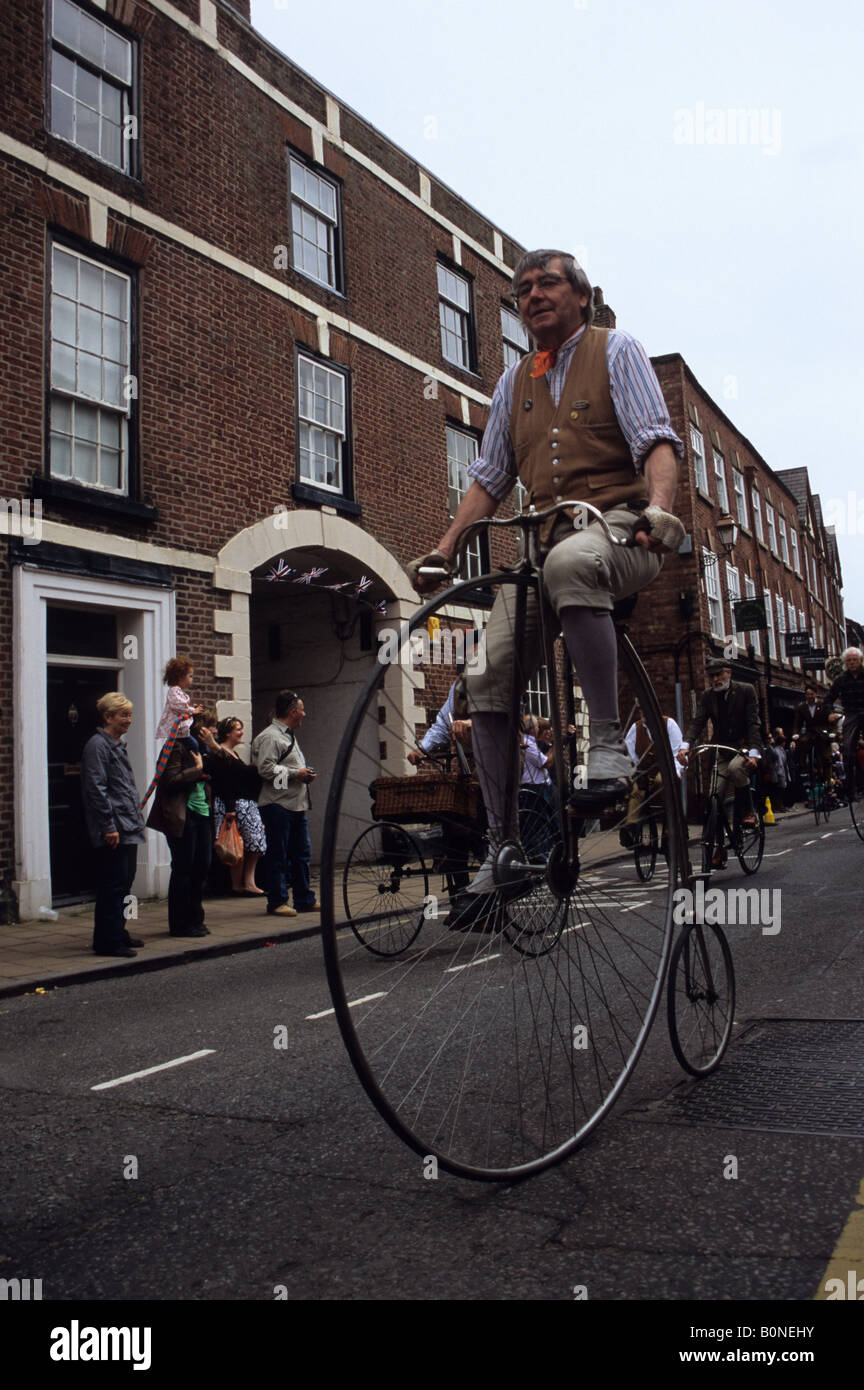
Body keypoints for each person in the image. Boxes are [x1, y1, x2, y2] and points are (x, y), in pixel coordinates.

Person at [408, 250, 684, 903]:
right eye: (523, 289)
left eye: (547, 284)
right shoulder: (512, 385)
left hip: (621, 531)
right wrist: (447, 547)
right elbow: (489, 479)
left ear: (581, 297)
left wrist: (661, 510)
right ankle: (504, 844)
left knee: (571, 562)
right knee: (484, 674)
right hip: (542, 549)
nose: (533, 295)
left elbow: (656, 443)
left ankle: (609, 745)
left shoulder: (617, 352)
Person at [146, 713, 224, 937]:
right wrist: (197, 771)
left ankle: (195, 919)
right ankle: (180, 924)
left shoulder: (204, 751)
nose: (215, 731)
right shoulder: (176, 748)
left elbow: (226, 770)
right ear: (199, 729)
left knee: (201, 867)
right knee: (184, 869)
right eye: (211, 727)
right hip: (183, 815)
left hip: (202, 813)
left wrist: (210, 758)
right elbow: (169, 781)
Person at [81, 692, 146, 958]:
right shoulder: (98, 746)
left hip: (129, 825)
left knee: (125, 882)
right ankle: (107, 941)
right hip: (116, 827)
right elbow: (96, 788)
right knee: (113, 884)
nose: (128, 720)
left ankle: (118, 930)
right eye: (123, 715)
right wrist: (108, 826)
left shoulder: (117, 745)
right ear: (108, 716)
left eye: (130, 715)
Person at [678, 658, 762, 867]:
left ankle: (749, 811)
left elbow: (753, 723)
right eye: (712, 676)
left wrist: (753, 753)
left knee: (736, 769)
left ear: (729, 673)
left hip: (742, 747)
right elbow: (698, 722)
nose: (715, 679)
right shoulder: (708, 696)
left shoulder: (746, 690)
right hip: (721, 748)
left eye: (719, 675)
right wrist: (685, 745)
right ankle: (719, 848)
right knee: (713, 796)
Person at [252, 691, 319, 917]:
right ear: (292, 712)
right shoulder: (272, 737)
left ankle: (303, 898)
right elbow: (266, 770)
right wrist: (296, 774)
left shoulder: (288, 735)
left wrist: (300, 774)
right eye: (301, 709)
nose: (304, 713)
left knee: (301, 854)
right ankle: (277, 901)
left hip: (295, 805)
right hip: (277, 805)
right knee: (278, 855)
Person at [208, 716, 266, 896]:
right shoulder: (220, 755)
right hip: (233, 805)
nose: (241, 732)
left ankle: (245, 883)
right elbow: (224, 783)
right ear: (227, 733)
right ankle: (240, 884)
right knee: (240, 842)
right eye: (238, 729)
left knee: (249, 843)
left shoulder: (233, 754)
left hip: (243, 805)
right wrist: (229, 809)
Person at [620, 706, 683, 848]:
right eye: (640, 709)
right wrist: (633, 774)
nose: (643, 712)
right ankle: (631, 828)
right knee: (636, 790)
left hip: (666, 768)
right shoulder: (636, 728)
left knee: (661, 781)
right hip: (645, 770)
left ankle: (670, 823)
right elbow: (630, 755)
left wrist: (676, 773)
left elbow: (676, 753)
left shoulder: (669, 724)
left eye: (645, 708)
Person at [826, 647, 864, 799]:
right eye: (849, 660)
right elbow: (829, 699)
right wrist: (830, 713)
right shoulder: (841, 680)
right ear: (845, 663)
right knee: (847, 749)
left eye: (855, 660)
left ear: (860, 661)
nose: (852, 663)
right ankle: (851, 787)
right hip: (852, 714)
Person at [791, 683, 833, 793]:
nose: (810, 696)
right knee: (802, 742)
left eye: (812, 694)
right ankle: (803, 765)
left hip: (822, 732)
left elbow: (829, 719)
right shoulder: (802, 707)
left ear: (816, 694)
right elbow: (797, 723)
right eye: (808, 694)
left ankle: (828, 781)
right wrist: (795, 734)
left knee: (826, 758)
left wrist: (831, 732)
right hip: (810, 732)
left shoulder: (823, 705)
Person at [156, 655, 202, 747]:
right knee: (194, 745)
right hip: (176, 729)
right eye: (190, 676)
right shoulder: (174, 691)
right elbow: (178, 705)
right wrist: (192, 710)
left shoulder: (178, 691)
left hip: (180, 729)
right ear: (180, 677)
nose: (192, 679)